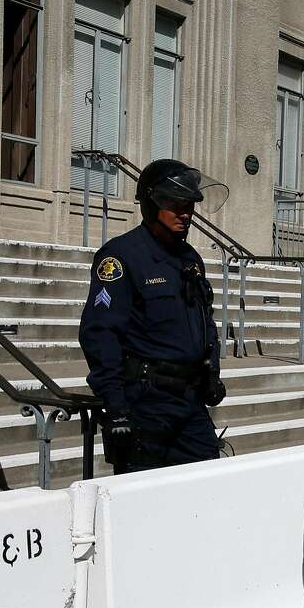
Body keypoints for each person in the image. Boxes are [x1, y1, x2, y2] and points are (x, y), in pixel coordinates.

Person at [78, 159, 230, 473]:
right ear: (151, 203)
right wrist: (116, 404)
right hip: (145, 403)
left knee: (208, 486)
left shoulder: (189, 259)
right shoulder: (122, 256)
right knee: (142, 501)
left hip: (188, 401)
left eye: (189, 205)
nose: (185, 213)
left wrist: (211, 373)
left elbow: (206, 324)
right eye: (175, 205)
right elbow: (100, 334)